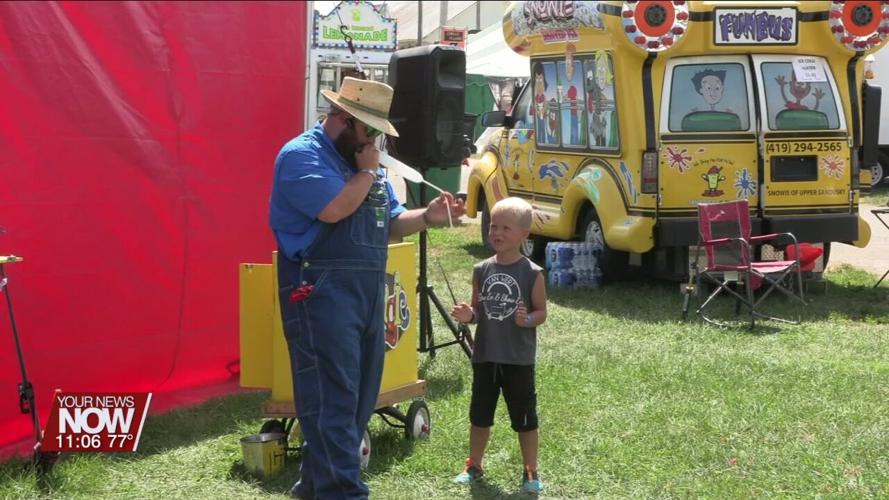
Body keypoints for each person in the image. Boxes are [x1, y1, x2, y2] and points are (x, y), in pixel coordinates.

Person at [269, 76, 465, 500]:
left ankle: (316, 487)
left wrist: (428, 215)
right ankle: (345, 491)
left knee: (357, 401)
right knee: (332, 397)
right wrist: (366, 171)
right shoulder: (302, 156)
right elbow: (335, 209)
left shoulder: (364, 165)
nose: (375, 139)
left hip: (367, 290)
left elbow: (391, 224)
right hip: (320, 290)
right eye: (369, 129)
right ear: (343, 118)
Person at [450, 197, 548, 495]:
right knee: (479, 415)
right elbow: (478, 309)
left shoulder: (532, 273)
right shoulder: (481, 269)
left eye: (506, 228)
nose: (497, 233)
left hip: (518, 359)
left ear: (523, 234)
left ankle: (530, 470)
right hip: (486, 357)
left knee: (525, 419)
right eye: (493, 226)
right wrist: (469, 316)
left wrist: (527, 319)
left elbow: (541, 312)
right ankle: (474, 465)